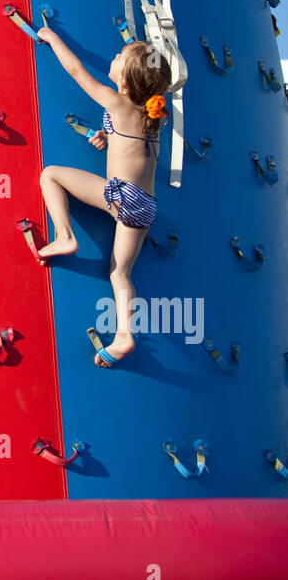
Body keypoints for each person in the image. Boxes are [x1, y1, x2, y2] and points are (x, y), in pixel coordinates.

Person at [34, 27, 172, 367]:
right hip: (145, 206)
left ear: (124, 83)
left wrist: (52, 39)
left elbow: (76, 71)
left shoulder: (116, 100)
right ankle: (124, 336)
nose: (113, 57)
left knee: (49, 174)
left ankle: (65, 236)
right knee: (119, 273)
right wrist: (107, 137)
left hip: (120, 196)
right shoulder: (152, 117)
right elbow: (134, 148)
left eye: (118, 60)